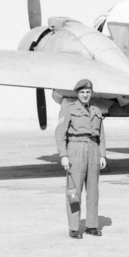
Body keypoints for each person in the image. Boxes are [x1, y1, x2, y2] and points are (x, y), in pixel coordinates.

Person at [55, 79, 107, 239]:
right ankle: (74, 227)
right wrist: (63, 155)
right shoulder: (68, 109)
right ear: (77, 93)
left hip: (93, 149)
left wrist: (102, 155)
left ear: (91, 93)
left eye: (88, 92)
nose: (85, 95)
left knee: (93, 191)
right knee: (73, 192)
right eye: (82, 92)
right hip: (75, 148)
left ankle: (92, 225)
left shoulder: (96, 110)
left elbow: (102, 136)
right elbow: (60, 134)